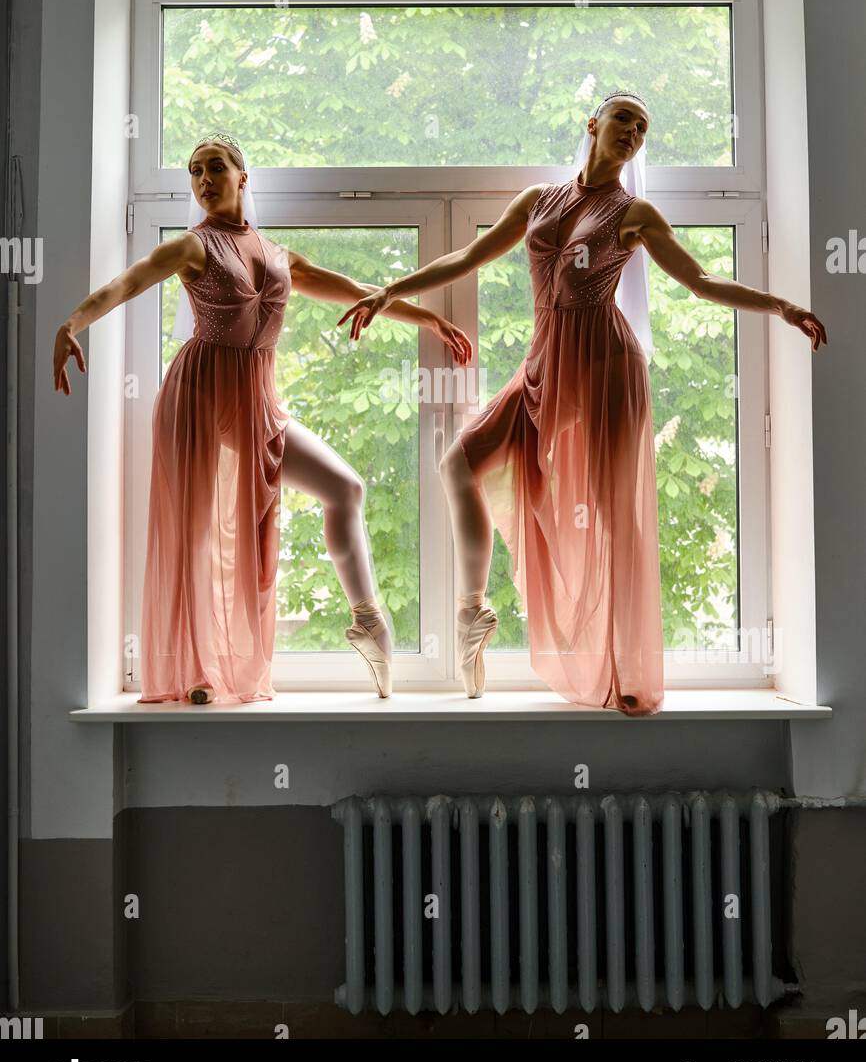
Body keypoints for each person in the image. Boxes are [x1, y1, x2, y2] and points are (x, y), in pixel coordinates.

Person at [338, 92, 828, 714]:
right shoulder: (539, 200)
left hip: (605, 366)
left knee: (613, 515)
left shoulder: (636, 213)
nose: (634, 132)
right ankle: (472, 614)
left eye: (643, 127)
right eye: (624, 119)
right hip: (545, 363)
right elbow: (468, 256)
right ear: (593, 125)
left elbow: (702, 282)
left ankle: (624, 669)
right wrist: (389, 291)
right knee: (458, 463)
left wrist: (782, 306)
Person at [53, 134, 472, 704]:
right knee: (194, 532)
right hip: (197, 393)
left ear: (242, 177)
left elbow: (357, 292)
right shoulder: (190, 247)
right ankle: (194, 672)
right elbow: (126, 283)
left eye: (215, 168)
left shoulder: (280, 257)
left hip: (256, 402)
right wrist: (71, 324)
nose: (203, 180)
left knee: (345, 487)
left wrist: (426, 317)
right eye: (195, 171)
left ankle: (369, 624)